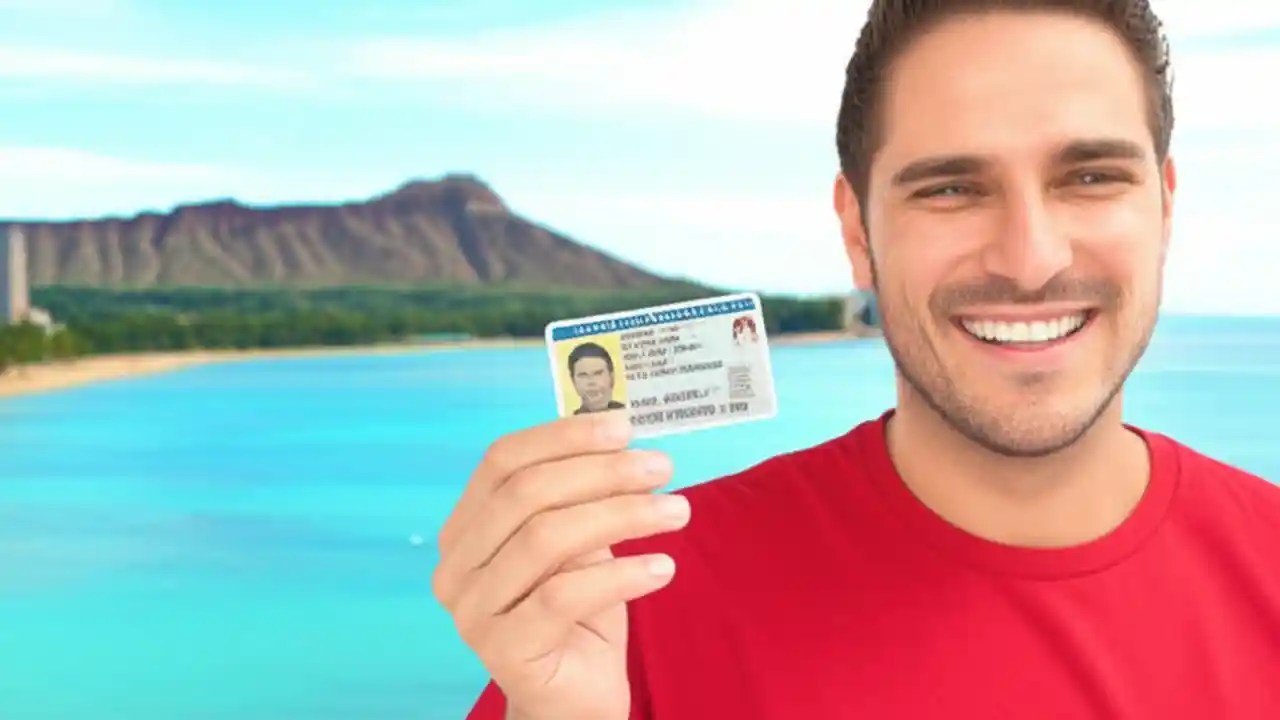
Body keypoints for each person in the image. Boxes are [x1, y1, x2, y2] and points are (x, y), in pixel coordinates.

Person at [433, 1, 1280, 718]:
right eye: (950, 188)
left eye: (1091, 177)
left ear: (1164, 208)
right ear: (856, 233)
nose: (1032, 259)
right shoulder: (631, 608)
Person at [567, 341, 626, 414]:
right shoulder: (570, 423)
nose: (591, 381)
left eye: (598, 373)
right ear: (573, 381)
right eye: (583, 375)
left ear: (611, 377)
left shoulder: (633, 414)